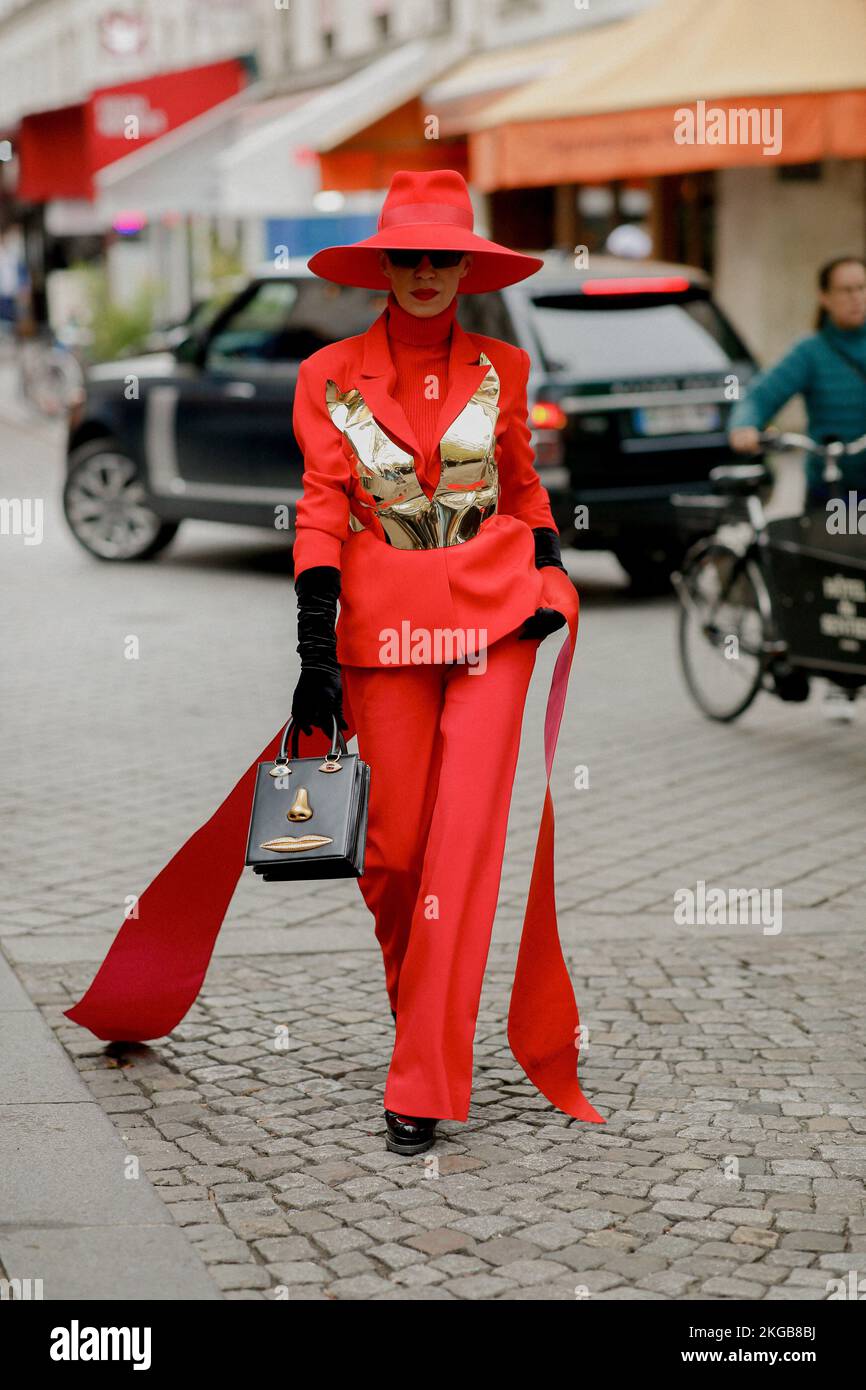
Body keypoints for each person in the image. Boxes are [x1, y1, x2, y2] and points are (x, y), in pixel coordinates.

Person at [63, 170, 604, 1155]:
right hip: (379, 634)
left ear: (467, 266)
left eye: (445, 256)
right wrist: (314, 639)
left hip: (496, 627)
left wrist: (550, 575)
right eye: (411, 256)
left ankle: (424, 1079)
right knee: (393, 853)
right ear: (382, 269)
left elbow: (524, 491)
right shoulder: (326, 374)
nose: (428, 273)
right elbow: (320, 506)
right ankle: (424, 1019)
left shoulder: (504, 368)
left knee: (463, 849)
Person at [728, 255, 866, 719]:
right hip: (834, 490)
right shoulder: (812, 352)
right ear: (825, 298)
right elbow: (760, 397)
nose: (855, 298)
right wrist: (746, 426)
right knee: (838, 584)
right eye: (845, 289)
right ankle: (840, 681)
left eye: (862, 288)